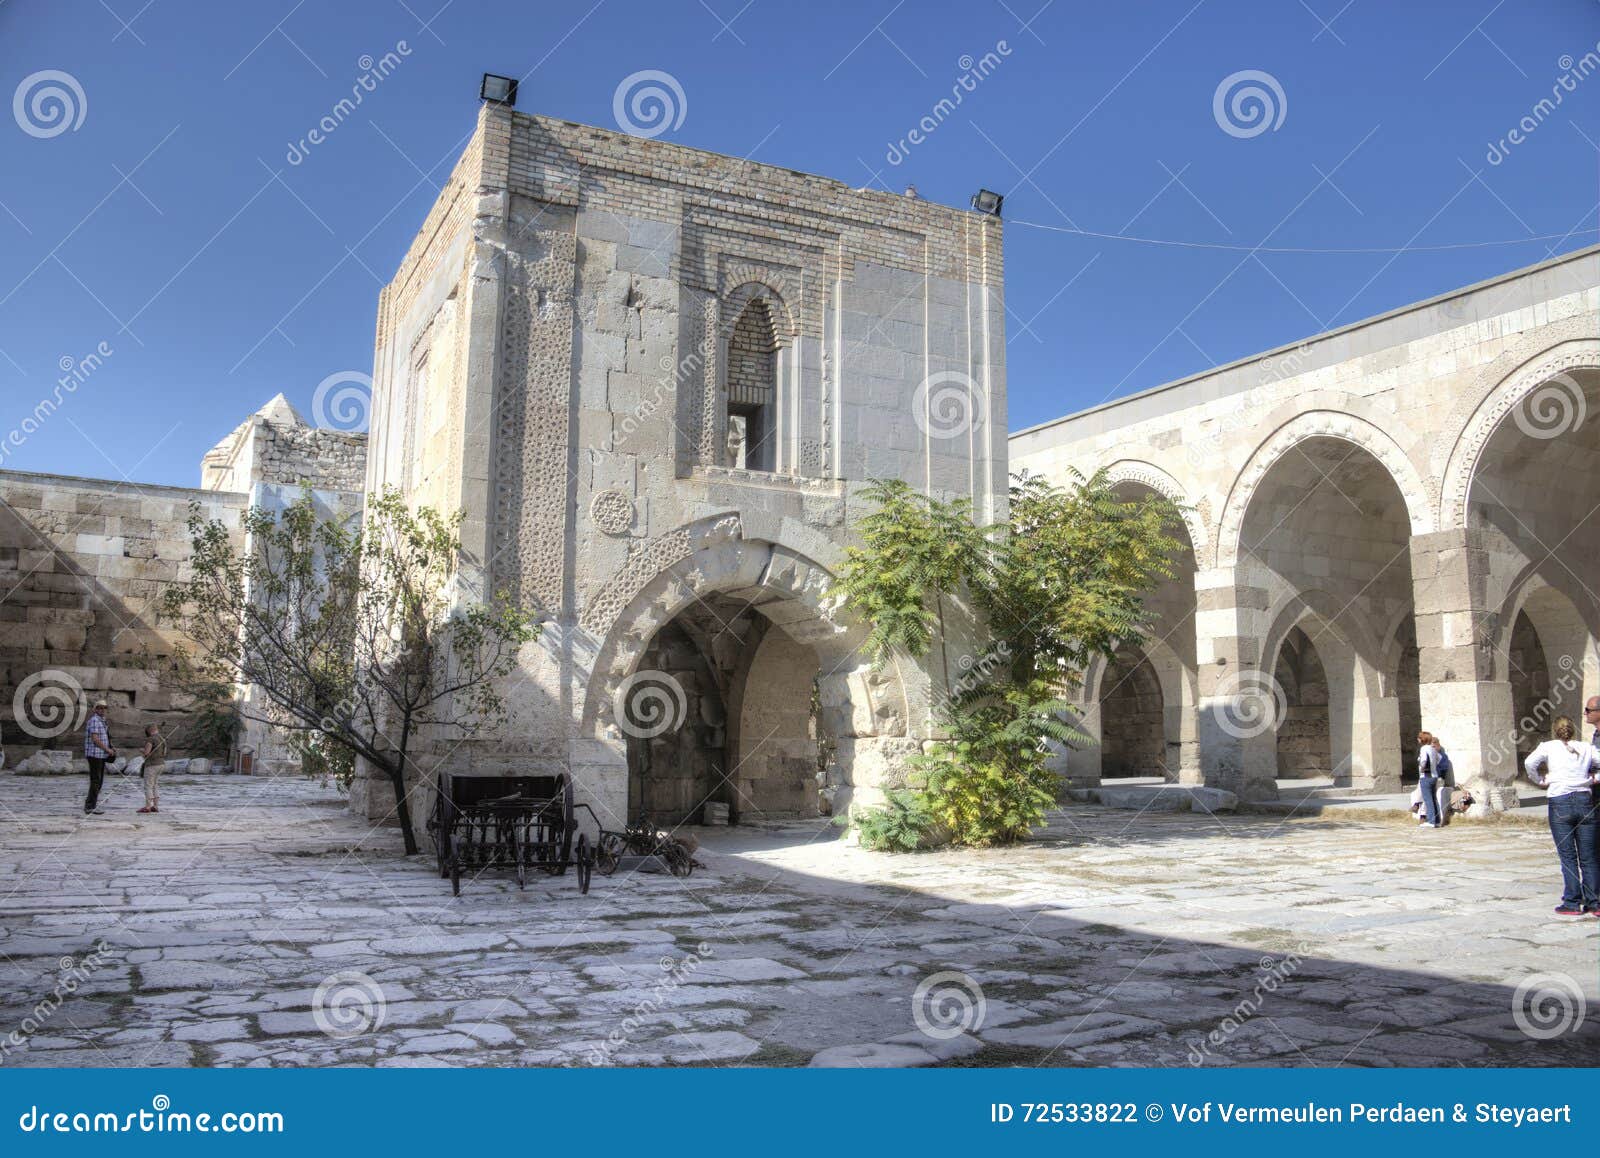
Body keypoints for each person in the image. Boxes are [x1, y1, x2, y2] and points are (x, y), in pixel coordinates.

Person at [1523, 716, 1600, 916]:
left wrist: (1540, 779)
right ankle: (1594, 902)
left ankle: (1572, 902)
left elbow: (1529, 762)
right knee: (1589, 857)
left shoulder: (1548, 747)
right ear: (1573, 730)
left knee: (1568, 856)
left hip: (1560, 800)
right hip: (1584, 799)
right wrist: (1595, 778)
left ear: (1554, 730)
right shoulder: (1586, 747)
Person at [83, 700, 114, 815]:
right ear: (95, 709)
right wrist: (107, 749)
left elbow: (104, 737)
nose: (103, 710)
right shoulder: (95, 721)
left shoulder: (102, 721)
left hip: (100, 755)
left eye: (105, 708)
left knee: (98, 781)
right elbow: (95, 739)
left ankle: (91, 804)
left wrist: (110, 748)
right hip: (95, 754)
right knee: (96, 781)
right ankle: (89, 806)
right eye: (100, 708)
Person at [136, 723, 167, 814]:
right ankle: (155, 806)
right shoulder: (162, 739)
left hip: (152, 765)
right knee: (155, 785)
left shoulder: (151, 739)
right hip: (161, 764)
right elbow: (164, 753)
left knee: (148, 785)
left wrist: (141, 750)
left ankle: (148, 806)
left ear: (149, 730)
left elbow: (146, 753)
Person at [1415, 730, 1442, 828]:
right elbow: (1439, 758)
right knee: (1434, 799)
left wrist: (1422, 768)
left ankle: (1431, 821)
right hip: (1434, 776)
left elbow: (1423, 760)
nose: (1418, 739)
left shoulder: (1424, 748)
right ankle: (1437, 820)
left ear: (1422, 739)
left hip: (1426, 776)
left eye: (1419, 738)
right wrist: (1433, 766)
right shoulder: (1432, 748)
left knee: (1428, 799)